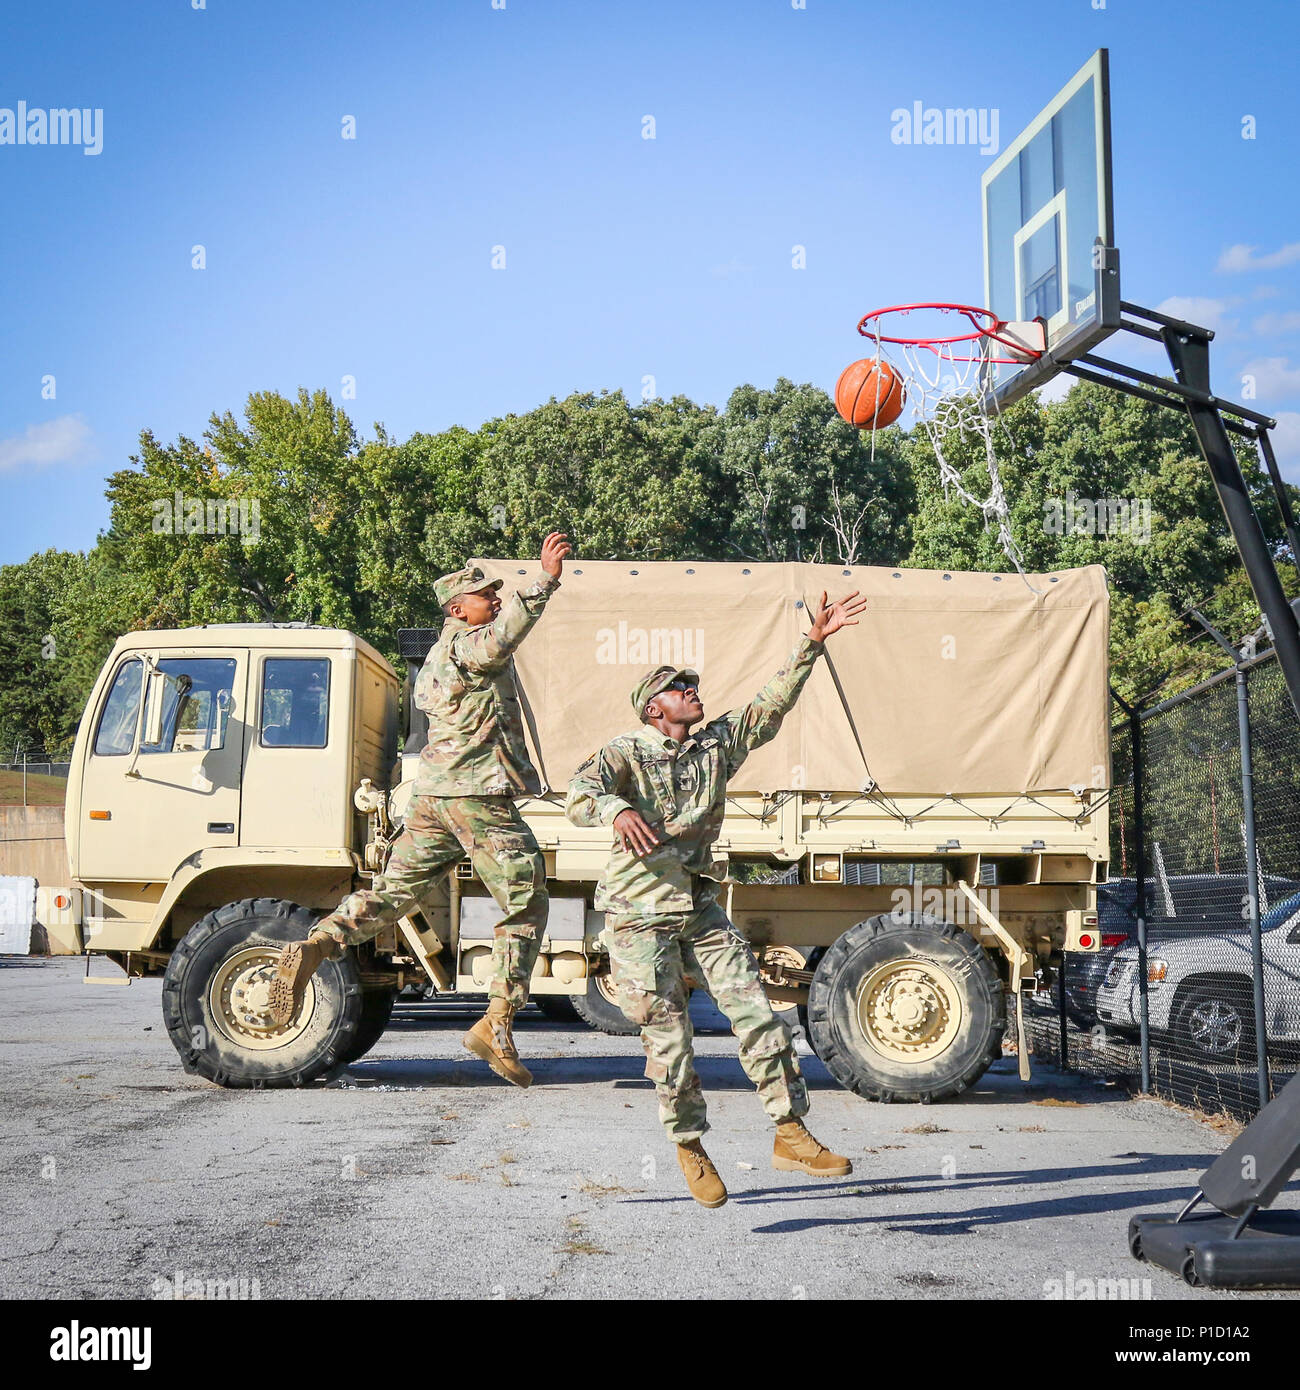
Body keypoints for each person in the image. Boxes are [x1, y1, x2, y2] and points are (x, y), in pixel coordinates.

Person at [565, 589, 867, 1207]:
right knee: (669, 1042)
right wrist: (615, 806)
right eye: (679, 687)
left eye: (692, 684)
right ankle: (690, 1146)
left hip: (699, 907)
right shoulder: (626, 752)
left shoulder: (716, 746)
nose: (692, 690)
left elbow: (768, 707)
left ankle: (789, 1130)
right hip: (637, 917)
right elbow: (579, 792)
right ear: (654, 707)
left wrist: (812, 642)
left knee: (759, 1013)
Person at [267, 533, 572, 1088]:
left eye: (496, 593)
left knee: (391, 895)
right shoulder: (464, 645)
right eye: (484, 595)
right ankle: (498, 1023)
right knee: (527, 900)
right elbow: (502, 641)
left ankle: (315, 943)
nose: (495, 599)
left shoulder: (433, 658)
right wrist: (544, 580)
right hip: (475, 795)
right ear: (457, 609)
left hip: (432, 797)